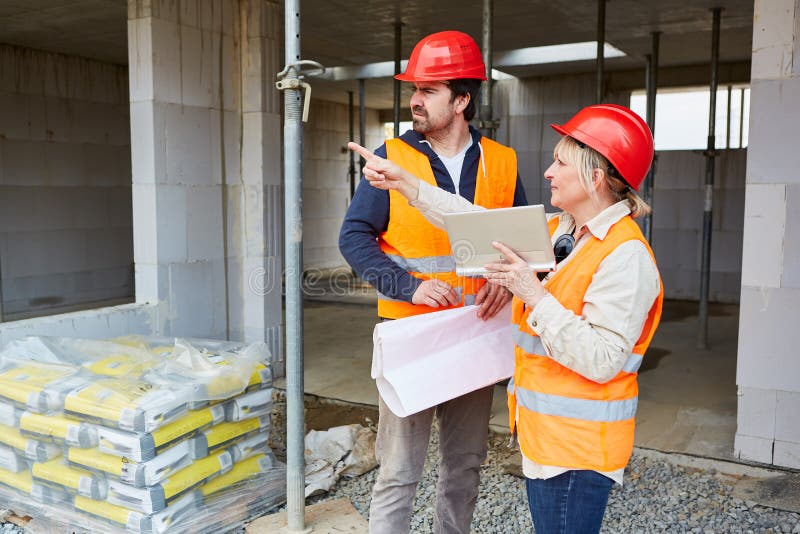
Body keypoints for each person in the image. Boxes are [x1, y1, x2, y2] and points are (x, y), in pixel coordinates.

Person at [348, 103, 663, 534]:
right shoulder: (565, 231)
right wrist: (409, 186)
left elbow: (604, 358)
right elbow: (475, 222)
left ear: (594, 177)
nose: (549, 172)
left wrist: (531, 293)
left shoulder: (625, 255)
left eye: (560, 162)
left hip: (579, 451)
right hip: (549, 440)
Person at [338, 30, 527, 534]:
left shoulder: (503, 162)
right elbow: (354, 236)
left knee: (463, 467)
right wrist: (408, 286)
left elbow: (521, 244)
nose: (415, 101)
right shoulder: (391, 158)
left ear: (462, 99)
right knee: (399, 472)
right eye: (413, 90)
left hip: (477, 331)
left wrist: (507, 283)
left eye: (428, 91)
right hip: (411, 333)